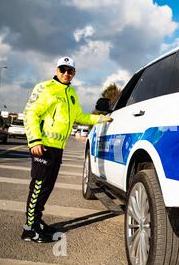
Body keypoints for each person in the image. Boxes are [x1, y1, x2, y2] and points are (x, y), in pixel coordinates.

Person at [21, 56, 113, 243]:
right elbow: (30, 113)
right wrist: (35, 140)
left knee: (47, 187)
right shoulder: (45, 88)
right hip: (43, 146)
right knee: (38, 186)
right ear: (56, 70)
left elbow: (80, 116)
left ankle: (37, 221)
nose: (65, 73)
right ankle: (30, 229)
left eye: (69, 71)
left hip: (57, 149)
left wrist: (102, 119)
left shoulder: (71, 94)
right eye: (62, 69)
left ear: (74, 74)